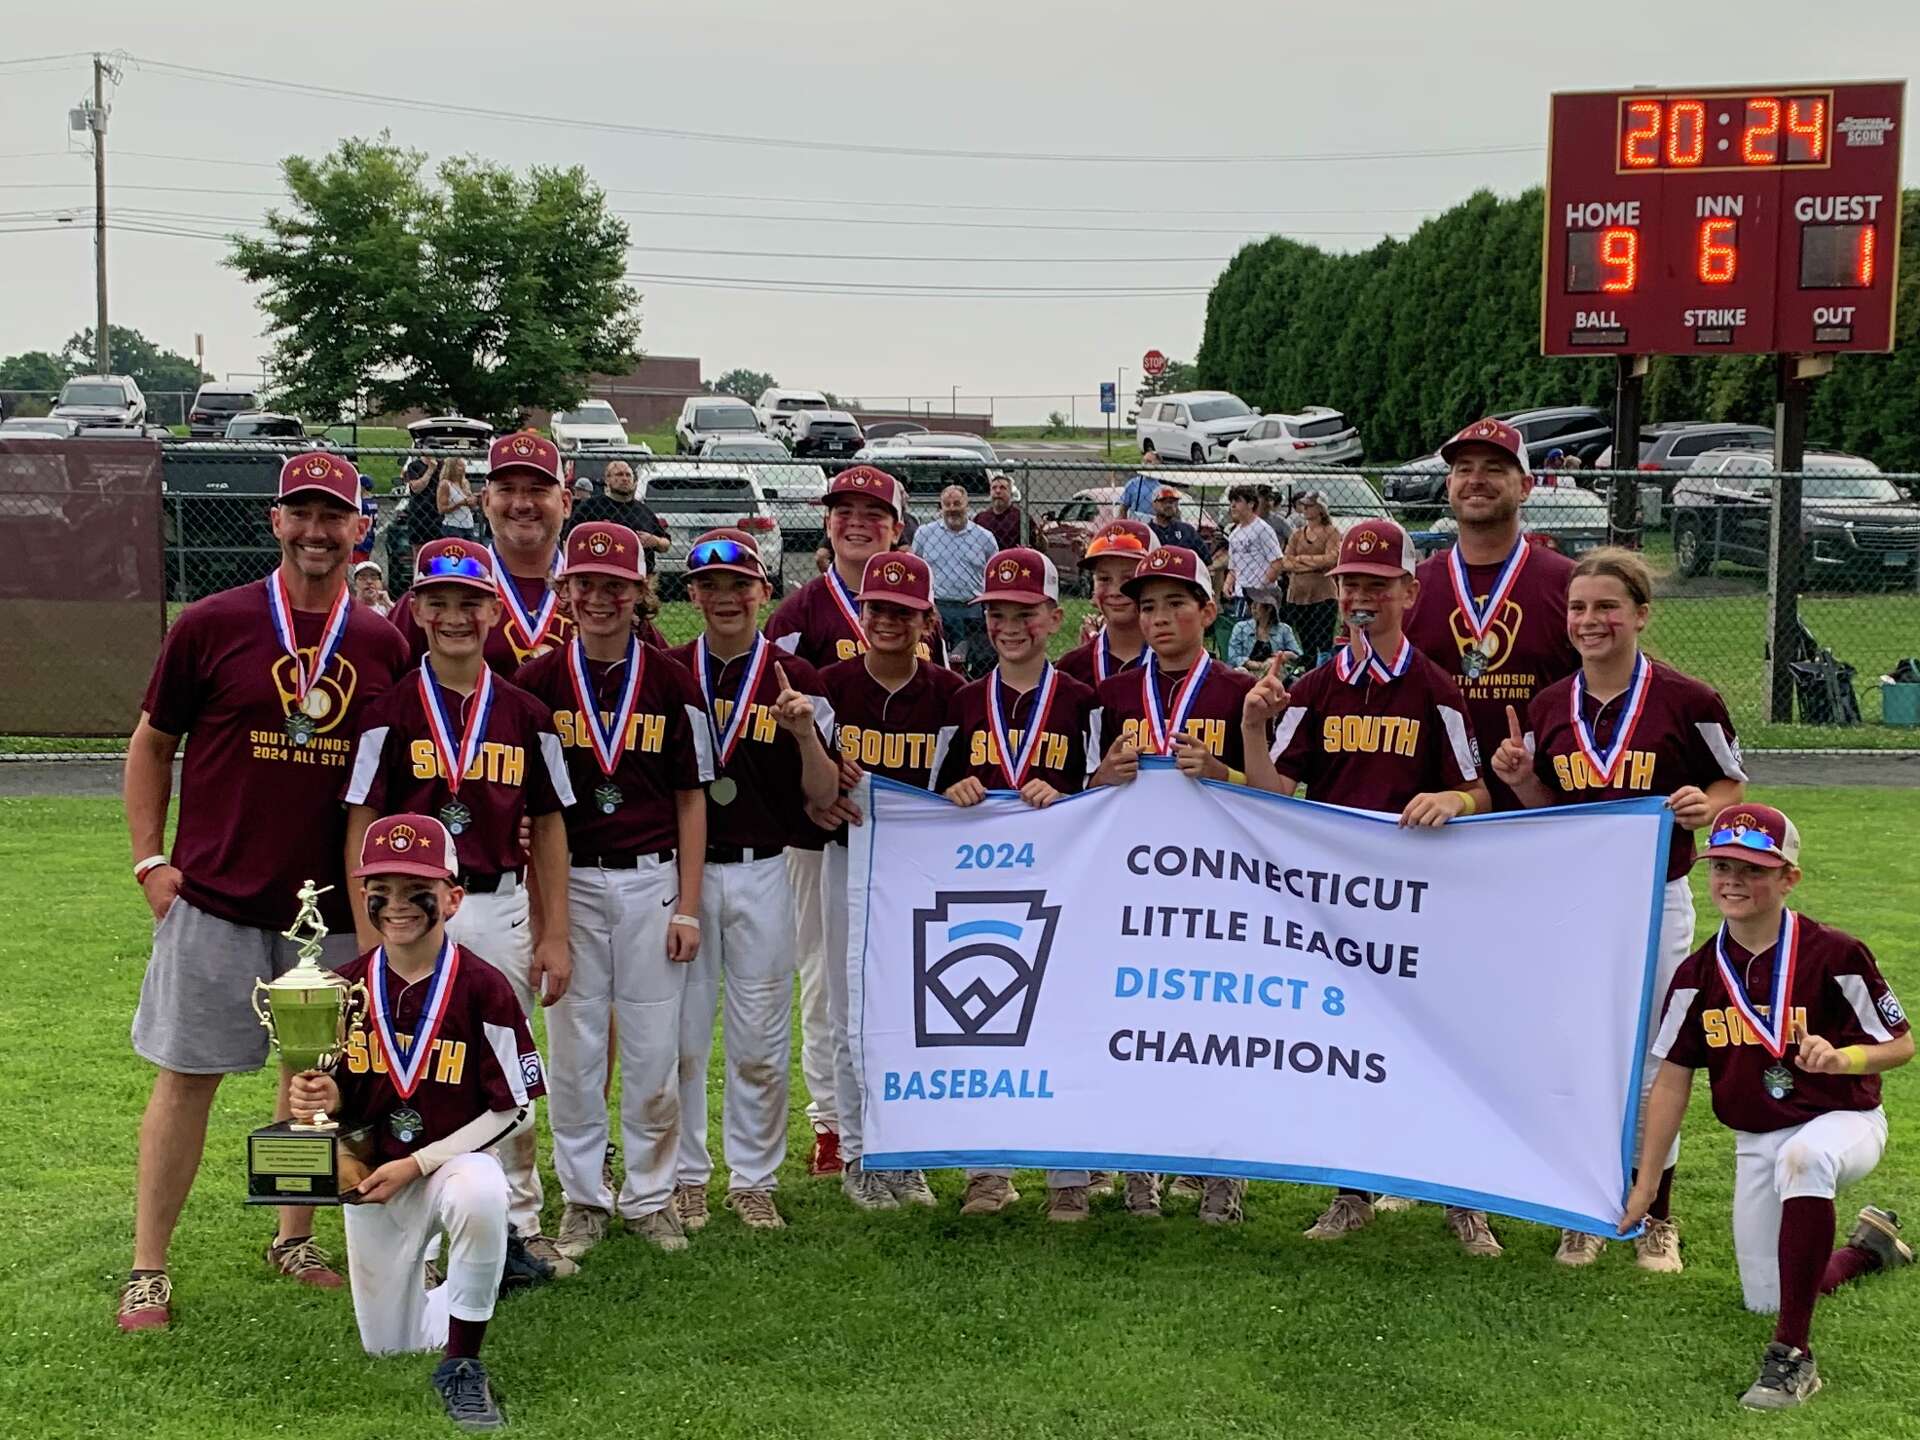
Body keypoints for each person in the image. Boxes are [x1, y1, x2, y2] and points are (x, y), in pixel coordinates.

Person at [118, 450, 410, 1331]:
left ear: (361, 528)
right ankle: (147, 1268)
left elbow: (393, 773)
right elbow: (150, 743)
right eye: (302, 513)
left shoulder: (380, 642)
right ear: (275, 520)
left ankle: (291, 1237)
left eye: (336, 516)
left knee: (312, 1078)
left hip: (326, 915)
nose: (318, 532)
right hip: (215, 896)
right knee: (187, 1079)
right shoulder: (211, 623)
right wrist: (149, 863)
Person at [1240, 517, 1495, 1256]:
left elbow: (1477, 787)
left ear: (1409, 593)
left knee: (1439, 1046)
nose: (1359, 597)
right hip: (1341, 906)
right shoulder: (1319, 685)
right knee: (1347, 1049)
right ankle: (1351, 1192)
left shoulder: (1435, 686)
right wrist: (1256, 729)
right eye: (1350, 582)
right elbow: (1274, 794)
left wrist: (1453, 800)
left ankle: (1461, 1198)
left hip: (1423, 902)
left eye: (1376, 586)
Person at [1492, 547, 1748, 1273]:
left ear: (1640, 614)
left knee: (1655, 1059)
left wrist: (1709, 805)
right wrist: (1520, 781)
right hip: (1575, 905)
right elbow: (1551, 814)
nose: (1590, 620)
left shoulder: (1688, 698)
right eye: (1578, 608)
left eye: (1607, 606)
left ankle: (1655, 1215)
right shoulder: (1548, 706)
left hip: (1654, 898)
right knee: (1581, 1053)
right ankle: (1584, 1207)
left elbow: (1731, 785)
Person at [1621, 803, 1913, 1410]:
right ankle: (1867, 1250)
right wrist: (1647, 1186)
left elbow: (1901, 1044)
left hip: (1845, 1121)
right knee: (1767, 1296)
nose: (1732, 880)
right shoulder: (1697, 972)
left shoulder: (1835, 952)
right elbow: (1673, 1076)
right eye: (1722, 865)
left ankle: (1794, 1359)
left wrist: (1844, 1059)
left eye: (1753, 870)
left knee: (1805, 1159)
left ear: (1788, 879)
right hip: (1757, 1137)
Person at [343, 537, 580, 1278]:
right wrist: (366, 931)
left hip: (499, 905)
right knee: (415, 1073)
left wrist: (556, 933)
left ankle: (518, 1226)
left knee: (505, 1076)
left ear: (493, 610)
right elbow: (360, 820)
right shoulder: (386, 712)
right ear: (414, 610)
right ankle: (423, 1228)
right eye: (438, 603)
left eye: (470, 604)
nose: (454, 618)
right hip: (407, 922)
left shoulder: (527, 714)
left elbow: (548, 824)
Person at [291, 812, 540, 1430]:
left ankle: (464, 1366)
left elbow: (515, 1106)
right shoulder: (340, 988)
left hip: (444, 1165)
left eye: (415, 890)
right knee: (390, 1345)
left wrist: (419, 1163)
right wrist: (316, 1102)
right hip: (373, 1181)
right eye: (381, 891)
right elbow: (335, 1104)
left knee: (482, 1191)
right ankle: (485, 1274)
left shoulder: (484, 987)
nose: (395, 905)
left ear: (453, 898)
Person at [511, 521, 710, 1256]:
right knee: (575, 1046)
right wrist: (543, 917)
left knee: (655, 1049)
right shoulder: (535, 683)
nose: (599, 597)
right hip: (571, 887)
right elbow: (528, 806)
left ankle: (651, 1198)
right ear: (564, 593)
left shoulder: (670, 680)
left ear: (639, 594)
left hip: (651, 879)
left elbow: (692, 798)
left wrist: (688, 903)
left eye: (614, 585)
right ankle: (586, 1200)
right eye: (584, 584)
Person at [766, 465, 948, 1175]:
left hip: (902, 837)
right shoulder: (799, 612)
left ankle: (896, 1118)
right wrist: (812, 777)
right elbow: (768, 715)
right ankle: (833, 1124)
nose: (856, 521)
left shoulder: (913, 597)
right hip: (823, 830)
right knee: (826, 977)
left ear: (896, 525)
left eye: (872, 512)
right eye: (843, 510)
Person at [668, 529, 839, 1233]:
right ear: (694, 595)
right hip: (686, 876)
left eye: (740, 585)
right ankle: (684, 1177)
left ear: (764, 591)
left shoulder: (802, 680)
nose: (726, 598)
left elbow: (825, 796)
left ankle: (754, 1179)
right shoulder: (670, 674)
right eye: (711, 587)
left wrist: (803, 733)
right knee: (680, 1035)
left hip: (765, 867)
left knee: (761, 1036)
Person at [1088, 544, 1258, 1222]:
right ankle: (1140, 1168)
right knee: (1140, 1030)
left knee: (1220, 1034)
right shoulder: (1113, 695)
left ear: (1208, 612)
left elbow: (1281, 799)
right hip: (1136, 887)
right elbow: (1082, 796)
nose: (1160, 619)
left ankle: (1222, 1174)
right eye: (1148, 606)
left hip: (1221, 888)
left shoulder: (1240, 693)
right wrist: (1104, 776)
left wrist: (1222, 772)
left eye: (1176, 605)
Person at [934, 548, 1101, 1222]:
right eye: (997, 613)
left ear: (1053, 618)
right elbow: (935, 790)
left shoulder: (1084, 702)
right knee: (984, 1022)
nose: (1009, 625)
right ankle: (988, 1170)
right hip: (986, 893)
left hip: (1064, 889)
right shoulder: (965, 700)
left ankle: (1068, 1172)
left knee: (1062, 1023)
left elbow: (1104, 793)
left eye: (1024, 613)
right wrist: (956, 787)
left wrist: (1066, 795)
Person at [814, 552, 965, 1211]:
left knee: (913, 1016)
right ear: (860, 611)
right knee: (851, 1012)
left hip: (921, 869)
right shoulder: (830, 685)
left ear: (926, 620)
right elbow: (810, 785)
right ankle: (858, 1155)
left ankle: (906, 1154)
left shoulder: (951, 695)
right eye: (876, 608)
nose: (887, 621)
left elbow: (971, 777)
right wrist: (818, 797)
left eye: (902, 613)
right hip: (849, 859)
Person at [1404, 417, 1579, 813]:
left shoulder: (1568, 584)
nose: (1476, 480)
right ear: (1449, 485)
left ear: (1526, 487)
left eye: (1495, 469)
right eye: (1464, 469)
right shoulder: (1412, 588)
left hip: (1541, 810)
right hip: (1435, 811)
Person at [393, 433, 578, 674]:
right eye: (507, 490)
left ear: (565, 504)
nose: (522, 504)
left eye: (538, 490)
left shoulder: (595, 592)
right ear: (486, 502)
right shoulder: (439, 586)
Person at [912, 484, 1000, 679]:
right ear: (941, 507)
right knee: (937, 660)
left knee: (977, 664)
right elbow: (916, 569)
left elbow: (994, 574)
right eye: (947, 504)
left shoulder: (984, 538)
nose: (952, 508)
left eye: (957, 503)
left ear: (966, 504)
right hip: (937, 609)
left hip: (972, 611)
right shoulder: (925, 534)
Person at [1057, 520, 1157, 687]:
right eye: (1104, 579)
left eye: (1129, 579)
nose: (1116, 591)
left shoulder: (1173, 662)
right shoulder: (1072, 668)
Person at [568, 459, 671, 573]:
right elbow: (568, 537)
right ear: (607, 480)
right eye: (619, 474)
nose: (625, 479)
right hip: (600, 574)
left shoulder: (643, 511)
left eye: (628, 475)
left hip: (639, 577)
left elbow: (666, 544)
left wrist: (655, 541)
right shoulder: (590, 507)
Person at [1222, 484, 1285, 662]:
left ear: (1251, 504)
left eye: (1238, 501)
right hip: (1242, 595)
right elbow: (1234, 566)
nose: (1233, 506)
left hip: (1261, 596)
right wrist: (1228, 583)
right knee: (1242, 636)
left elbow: (1277, 561)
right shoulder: (1234, 534)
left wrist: (1262, 588)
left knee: (1261, 638)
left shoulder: (1262, 529)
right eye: (1231, 502)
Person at [1277, 492, 1339, 665]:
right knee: (1306, 639)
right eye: (1303, 505)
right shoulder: (1297, 535)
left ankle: (1324, 669)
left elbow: (1331, 559)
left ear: (1321, 509)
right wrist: (1315, 564)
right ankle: (1309, 671)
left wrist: (1301, 559)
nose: (1304, 509)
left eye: (1309, 505)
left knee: (1323, 638)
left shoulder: (1331, 532)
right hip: (1298, 595)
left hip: (1323, 594)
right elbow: (1286, 562)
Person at [397, 457, 444, 590]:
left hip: (437, 515)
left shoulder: (442, 465)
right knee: (418, 554)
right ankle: (418, 585)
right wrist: (430, 470)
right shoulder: (414, 466)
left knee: (438, 554)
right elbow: (416, 488)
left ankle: (437, 584)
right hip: (419, 515)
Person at [1147, 486, 1206, 557]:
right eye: (1164, 501)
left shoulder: (1187, 530)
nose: (1169, 505)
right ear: (1154, 504)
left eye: (1172, 502)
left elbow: (1206, 559)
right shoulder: (1148, 531)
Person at [976, 470, 1025, 550]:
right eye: (994, 488)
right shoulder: (981, 518)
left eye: (1002, 488)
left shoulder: (1021, 517)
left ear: (1010, 493)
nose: (998, 491)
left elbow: (1038, 545)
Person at [436, 455, 479, 538]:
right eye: (459, 465)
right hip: (453, 527)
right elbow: (441, 509)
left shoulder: (465, 483)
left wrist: (473, 500)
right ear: (451, 468)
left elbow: (470, 505)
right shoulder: (445, 484)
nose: (462, 468)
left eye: (463, 465)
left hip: (469, 526)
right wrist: (460, 503)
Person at [354, 474, 379, 562]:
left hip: (362, 540)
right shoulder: (373, 502)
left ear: (362, 487)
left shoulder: (363, 504)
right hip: (370, 537)